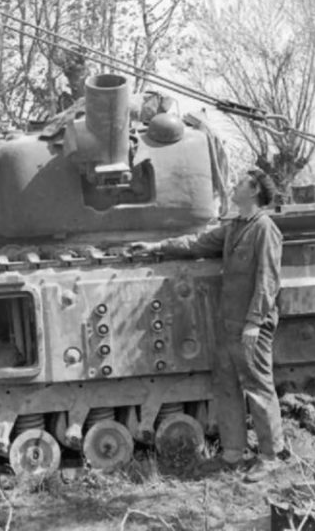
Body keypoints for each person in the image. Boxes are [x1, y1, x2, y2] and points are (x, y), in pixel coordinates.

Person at [131, 169, 285, 482]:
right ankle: (232, 454)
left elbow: (268, 280)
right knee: (226, 387)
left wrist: (255, 322)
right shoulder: (235, 226)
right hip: (227, 324)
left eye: (240, 183)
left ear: (254, 191)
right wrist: (156, 247)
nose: (234, 186)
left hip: (250, 325)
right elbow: (198, 243)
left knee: (258, 389)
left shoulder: (264, 228)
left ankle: (270, 456)